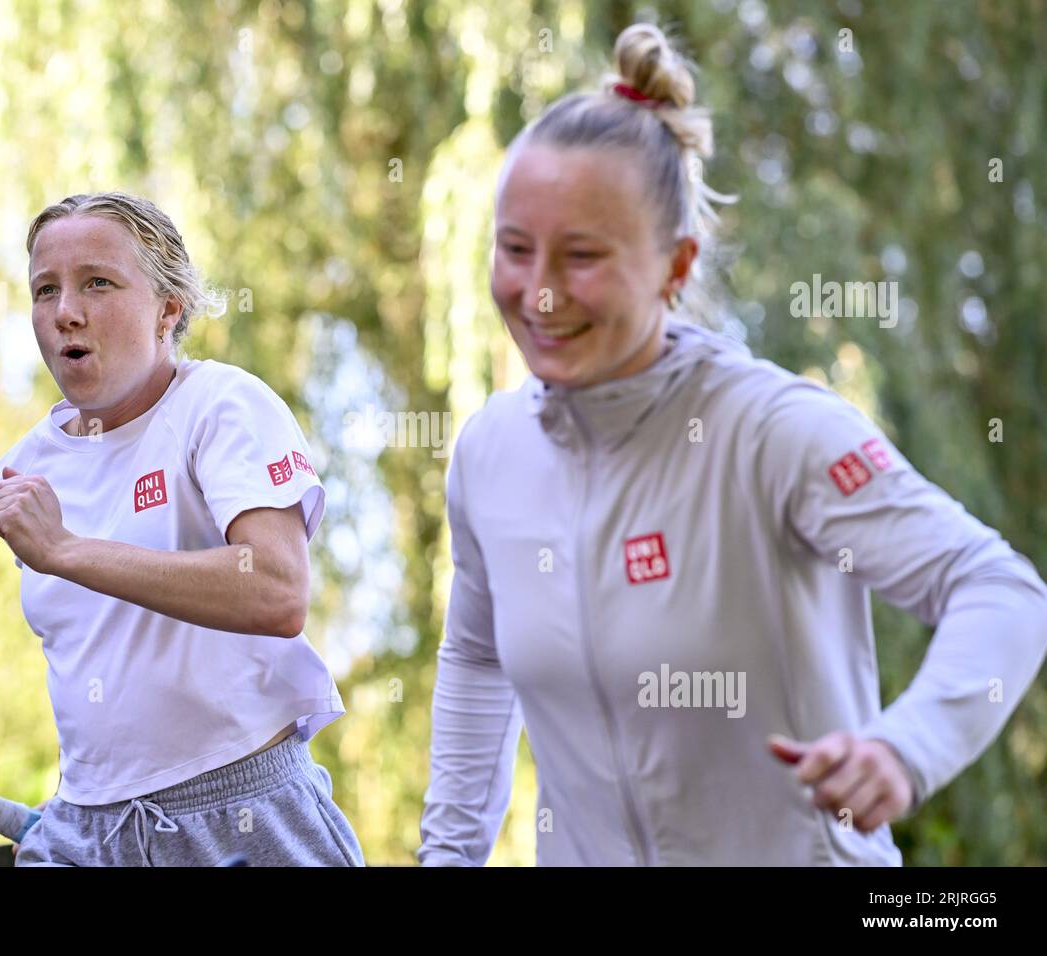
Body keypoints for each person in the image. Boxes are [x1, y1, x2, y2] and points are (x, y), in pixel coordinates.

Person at [417, 23, 1047, 866]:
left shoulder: (772, 432)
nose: (538, 294)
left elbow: (1001, 589)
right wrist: (448, 855)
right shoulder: (490, 453)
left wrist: (905, 748)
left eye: (582, 258)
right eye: (515, 250)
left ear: (677, 265)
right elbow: (477, 659)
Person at [0, 191, 362, 866]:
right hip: (90, 829)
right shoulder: (21, 472)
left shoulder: (221, 406)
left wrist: (68, 551)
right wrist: (85, 801)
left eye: (97, 282)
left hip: (245, 820)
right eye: (46, 290)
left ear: (168, 308)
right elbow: (103, 667)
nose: (65, 310)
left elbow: (277, 590)